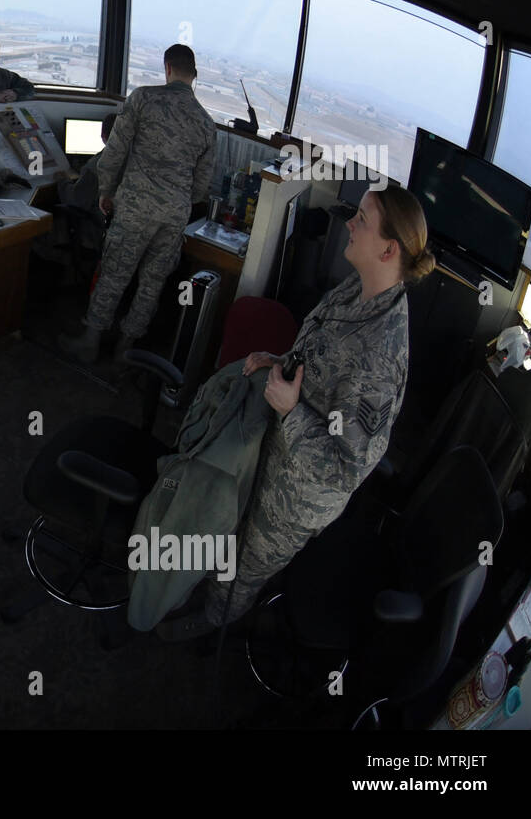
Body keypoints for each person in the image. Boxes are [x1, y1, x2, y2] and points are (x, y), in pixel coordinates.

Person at [167, 186, 436, 637]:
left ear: (388, 249)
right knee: (223, 532)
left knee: (240, 569)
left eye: (362, 221)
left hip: (295, 496)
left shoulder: (379, 359)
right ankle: (192, 593)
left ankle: (209, 625)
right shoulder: (358, 289)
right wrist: (280, 361)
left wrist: (292, 414)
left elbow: (343, 470)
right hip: (271, 452)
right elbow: (315, 356)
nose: (349, 223)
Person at [59, 44, 216, 366]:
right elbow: (201, 189)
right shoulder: (207, 125)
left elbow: (114, 151)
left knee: (114, 275)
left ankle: (90, 344)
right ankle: (125, 352)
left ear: (167, 68)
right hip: (174, 217)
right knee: (152, 284)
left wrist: (106, 191)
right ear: (194, 76)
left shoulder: (144, 98)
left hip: (135, 207)